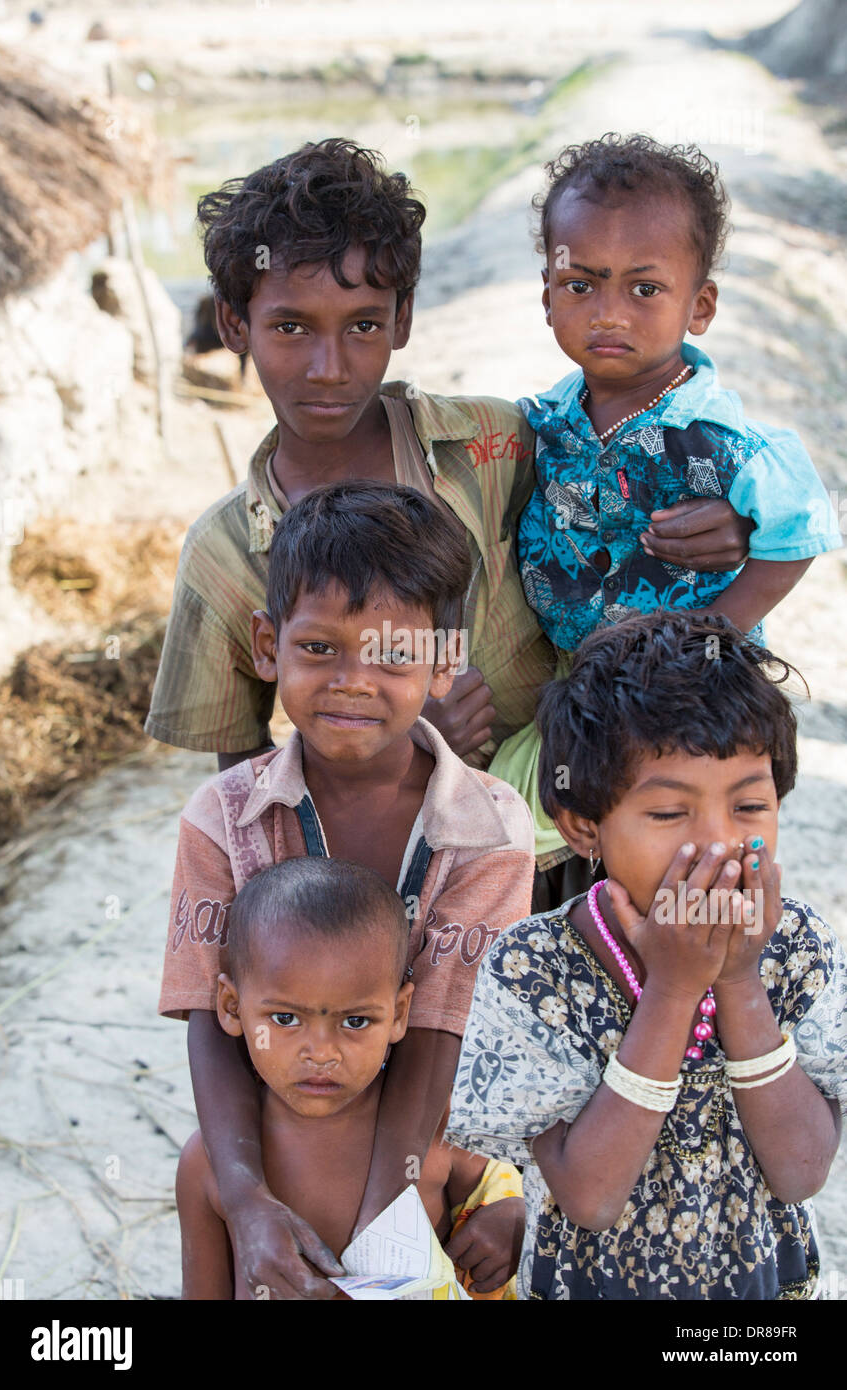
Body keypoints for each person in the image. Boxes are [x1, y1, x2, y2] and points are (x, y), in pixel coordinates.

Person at [144, 136, 752, 795]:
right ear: (234, 326)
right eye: (291, 328)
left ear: (403, 320)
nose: (329, 367)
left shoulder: (494, 445)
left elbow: (627, 504)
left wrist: (732, 519)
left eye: (363, 326)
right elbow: (241, 779)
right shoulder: (222, 555)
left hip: (574, 814)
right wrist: (400, 752)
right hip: (408, 869)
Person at [160, 482, 536, 1299]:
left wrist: (389, 1218)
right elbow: (208, 1016)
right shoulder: (224, 817)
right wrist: (245, 1196)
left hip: (424, 1154)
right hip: (283, 1127)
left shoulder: (492, 825)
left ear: (445, 661)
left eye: (395, 654)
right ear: (268, 646)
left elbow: (439, 1027)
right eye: (320, 648)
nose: (354, 682)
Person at [448, 612, 847, 1300]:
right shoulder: (537, 971)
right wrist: (674, 989)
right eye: (669, 815)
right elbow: (590, 1198)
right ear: (583, 826)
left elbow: (801, 1172)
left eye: (750, 806)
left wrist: (739, 982)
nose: (717, 844)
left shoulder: (797, 952)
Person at [491, 133, 842, 892]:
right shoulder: (547, 417)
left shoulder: (711, 435)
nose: (608, 313)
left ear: (701, 304)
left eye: (644, 290)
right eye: (580, 285)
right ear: (546, 295)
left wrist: (715, 629)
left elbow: (800, 525)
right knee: (529, 829)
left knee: (681, 858)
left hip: (687, 693)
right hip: (582, 685)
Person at [176, 857, 525, 1300]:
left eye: (356, 1022)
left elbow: (507, 1195)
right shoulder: (209, 1163)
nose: (322, 1053)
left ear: (399, 1014)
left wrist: (513, 1219)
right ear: (231, 1007)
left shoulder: (439, 1127)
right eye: (285, 1018)